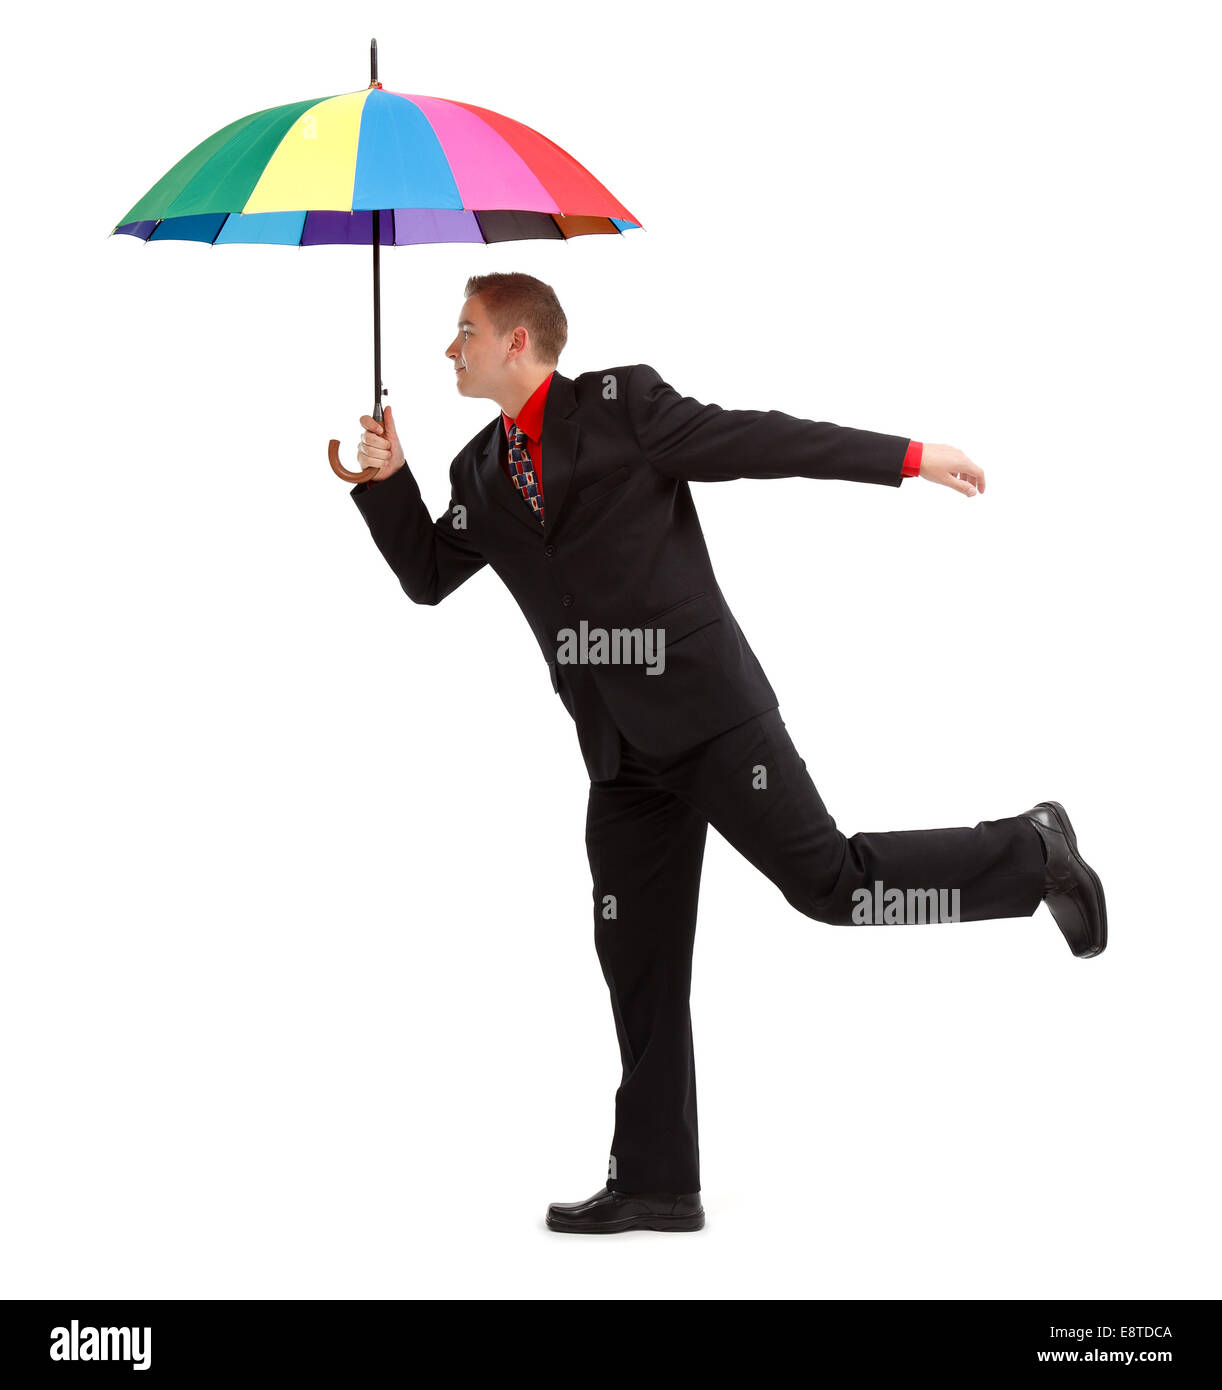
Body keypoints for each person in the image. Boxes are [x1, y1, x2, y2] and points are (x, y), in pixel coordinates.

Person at [347, 271, 1107, 1235]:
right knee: (637, 956)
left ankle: (1034, 854)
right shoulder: (481, 475)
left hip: (712, 720)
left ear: (518, 344)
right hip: (619, 754)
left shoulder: (626, 407)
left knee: (835, 885)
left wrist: (910, 457)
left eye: (464, 332)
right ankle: (659, 1182)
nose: (449, 350)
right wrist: (387, 484)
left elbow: (761, 440)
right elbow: (425, 574)